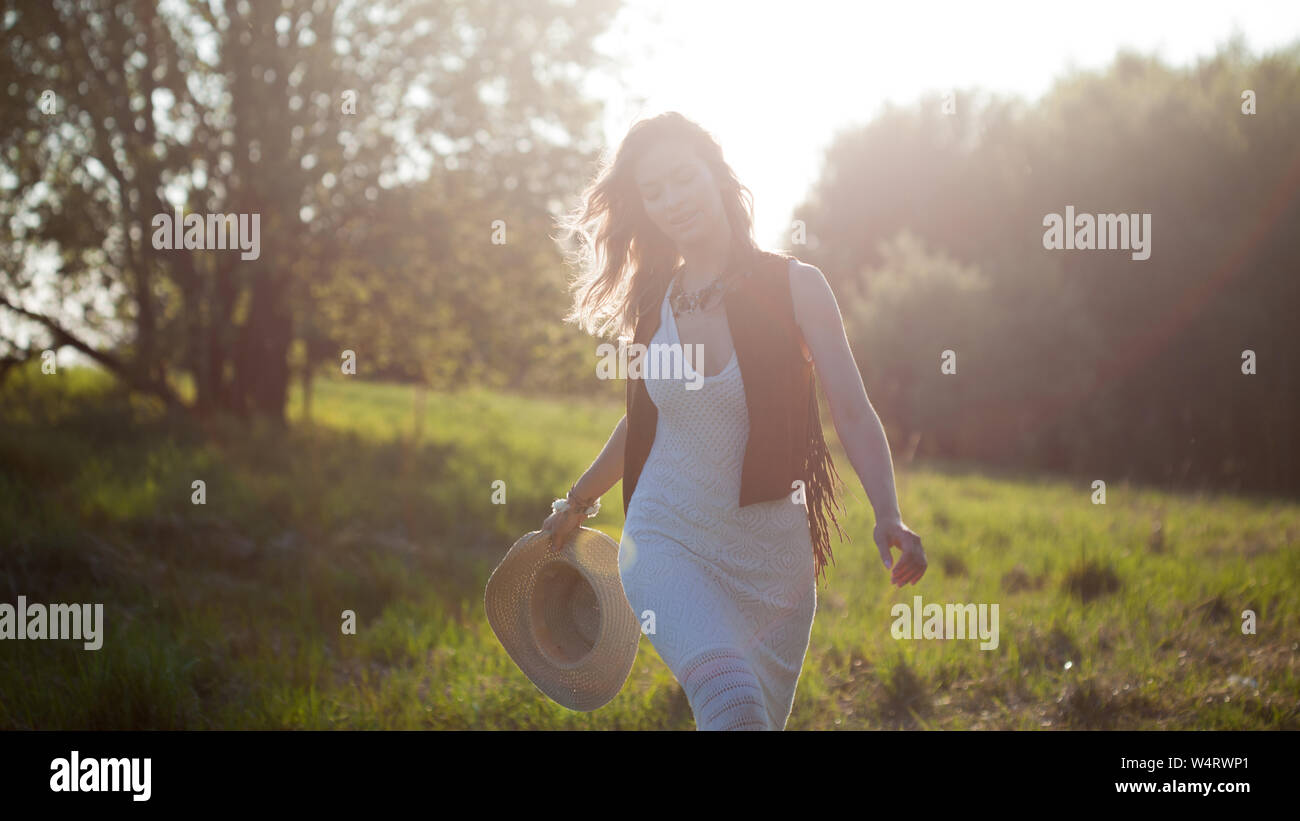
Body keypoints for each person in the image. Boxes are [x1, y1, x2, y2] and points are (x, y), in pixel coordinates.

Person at [542, 112, 926, 730]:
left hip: (772, 564)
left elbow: (851, 410)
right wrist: (579, 500)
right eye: (653, 190)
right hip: (664, 539)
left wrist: (889, 513)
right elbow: (642, 423)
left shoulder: (797, 287)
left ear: (717, 177)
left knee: (748, 722)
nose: (670, 200)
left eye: (681, 178)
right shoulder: (653, 300)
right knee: (733, 704)